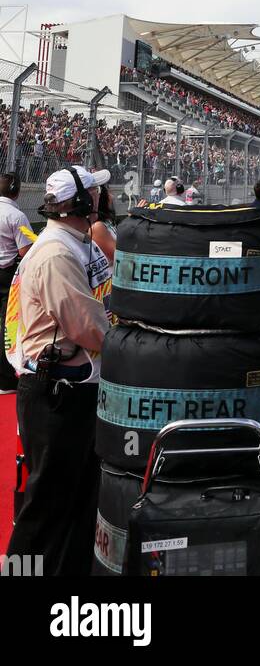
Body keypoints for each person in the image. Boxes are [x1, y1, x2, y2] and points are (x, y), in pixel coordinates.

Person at [4, 166, 113, 576]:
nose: (101, 196)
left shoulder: (76, 242)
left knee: (79, 497)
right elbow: (90, 328)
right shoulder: (56, 253)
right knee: (47, 506)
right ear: (82, 202)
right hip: (56, 395)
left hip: (75, 389)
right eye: (95, 190)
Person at [0, 171, 37, 393]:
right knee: (7, 324)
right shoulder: (16, 216)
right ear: (17, 191)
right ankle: (4, 380)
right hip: (7, 275)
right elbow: (26, 250)